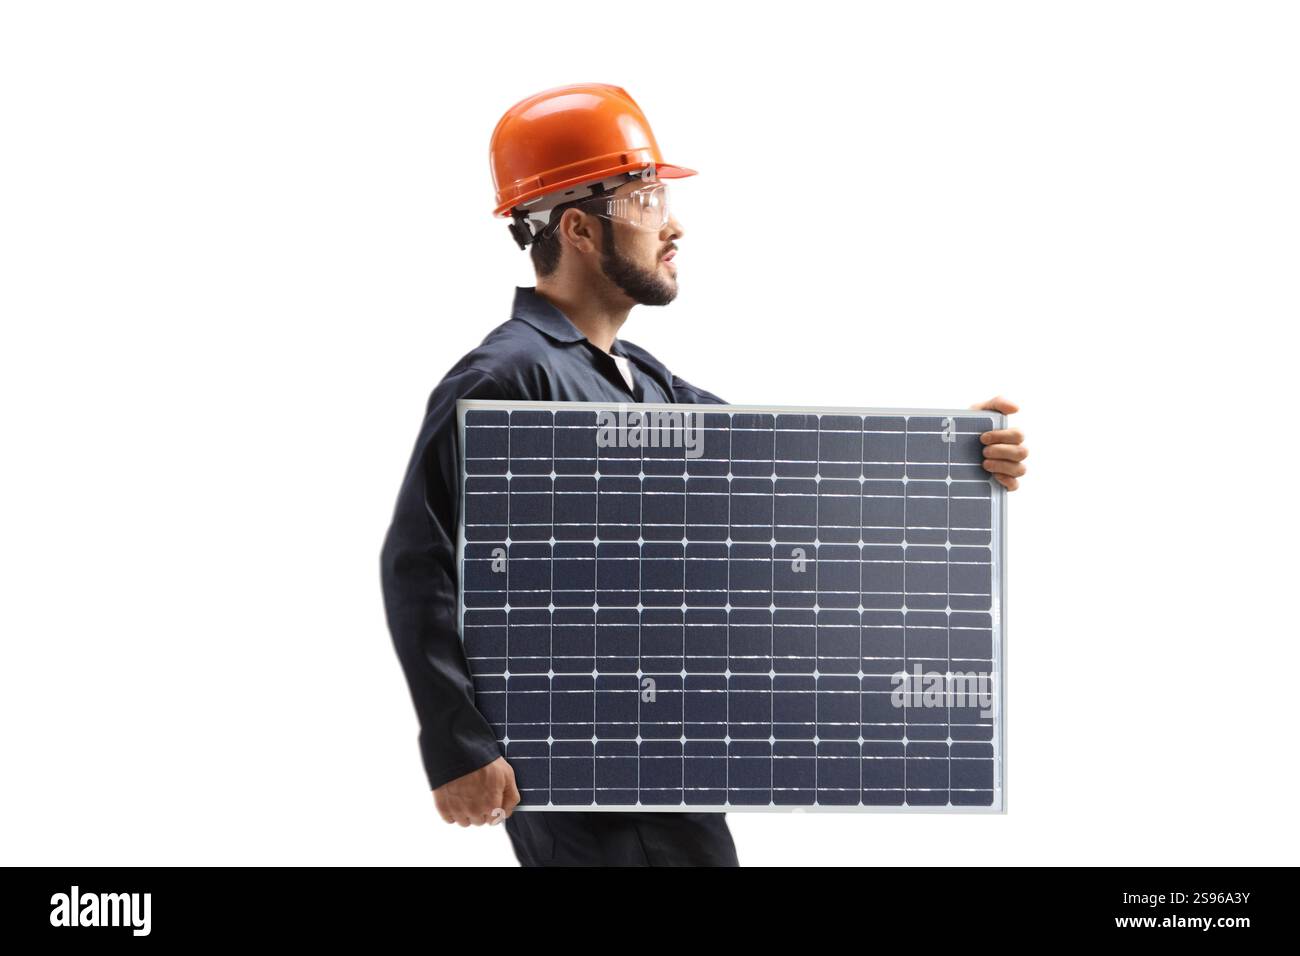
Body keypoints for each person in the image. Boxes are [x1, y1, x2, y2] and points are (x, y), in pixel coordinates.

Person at [379, 83, 1029, 867]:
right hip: (584, 775)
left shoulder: (644, 380)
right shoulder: (506, 377)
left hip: (672, 765)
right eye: (646, 197)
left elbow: (780, 469)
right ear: (578, 227)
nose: (674, 223)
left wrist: (953, 456)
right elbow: (418, 558)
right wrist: (457, 745)